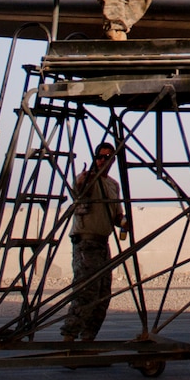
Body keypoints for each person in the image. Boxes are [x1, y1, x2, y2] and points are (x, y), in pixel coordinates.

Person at [62, 141, 130, 344]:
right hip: (86, 242)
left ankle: (88, 339)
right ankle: (69, 337)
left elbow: (117, 215)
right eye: (99, 157)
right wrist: (89, 175)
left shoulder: (113, 185)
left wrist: (124, 222)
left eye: (106, 157)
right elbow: (80, 188)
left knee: (102, 295)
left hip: (102, 242)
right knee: (86, 292)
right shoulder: (88, 179)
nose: (102, 161)